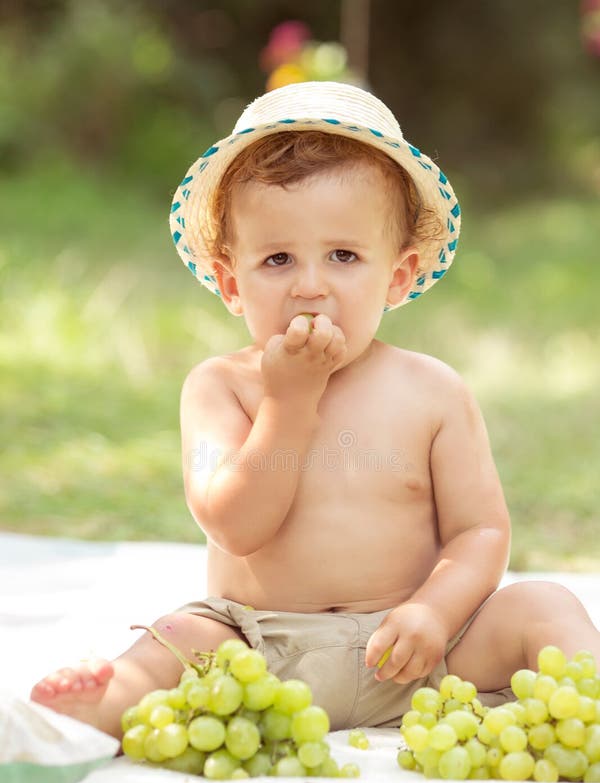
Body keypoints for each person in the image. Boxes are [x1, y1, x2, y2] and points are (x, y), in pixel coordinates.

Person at [31, 81, 600, 739]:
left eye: (344, 256)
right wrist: (287, 402)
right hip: (258, 651)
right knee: (179, 634)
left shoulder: (434, 392)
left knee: (544, 605)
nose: (310, 286)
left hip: (415, 653)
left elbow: (481, 533)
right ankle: (87, 711)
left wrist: (435, 614)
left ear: (398, 274)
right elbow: (233, 525)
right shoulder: (221, 388)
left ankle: (587, 708)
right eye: (277, 258)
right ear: (231, 283)